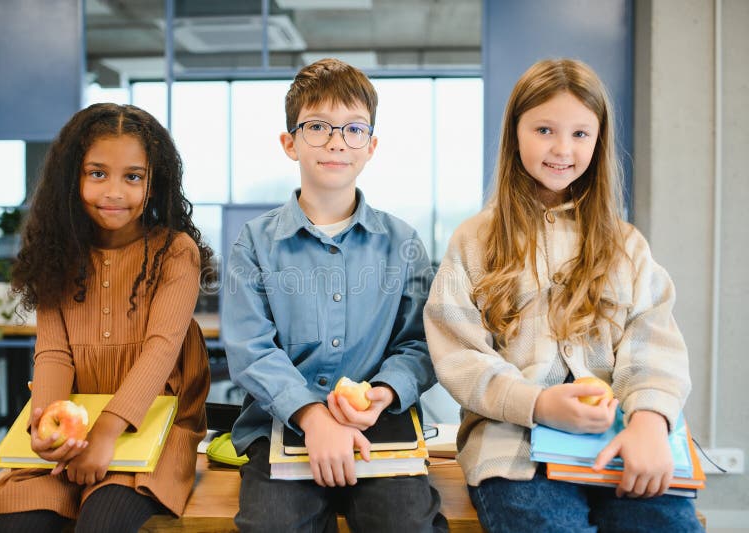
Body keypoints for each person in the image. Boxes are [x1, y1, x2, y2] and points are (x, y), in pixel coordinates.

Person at [424, 58, 704, 532]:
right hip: (512, 450)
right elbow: (460, 355)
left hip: (619, 442)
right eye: (544, 130)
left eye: (580, 134)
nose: (561, 148)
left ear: (598, 141)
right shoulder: (473, 241)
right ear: (515, 133)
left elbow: (653, 344)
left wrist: (651, 421)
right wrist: (538, 404)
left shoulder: (626, 245)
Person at [223, 58, 447, 532]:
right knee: (271, 526)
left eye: (353, 129)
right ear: (289, 143)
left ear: (371, 146)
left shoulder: (402, 242)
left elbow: (420, 344)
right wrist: (313, 416)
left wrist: (384, 393)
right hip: (283, 424)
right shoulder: (254, 243)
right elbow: (250, 349)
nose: (336, 141)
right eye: (318, 126)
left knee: (405, 522)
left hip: (379, 424)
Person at [0, 103, 213, 532]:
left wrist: (108, 432)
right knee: (18, 525)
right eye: (97, 173)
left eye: (132, 177)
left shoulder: (176, 252)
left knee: (103, 522)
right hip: (77, 426)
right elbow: (54, 352)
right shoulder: (58, 254)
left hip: (153, 428)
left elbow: (162, 351)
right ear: (71, 179)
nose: (114, 191)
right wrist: (48, 425)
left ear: (154, 184)